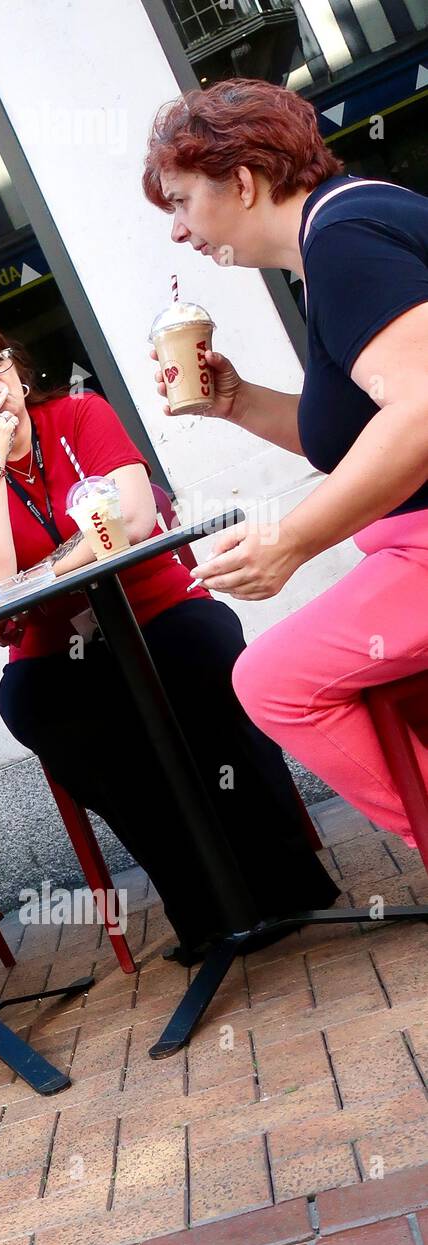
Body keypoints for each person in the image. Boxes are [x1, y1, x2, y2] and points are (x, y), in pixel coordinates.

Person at [0, 317, 337, 956]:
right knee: (39, 708)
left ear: (19, 366)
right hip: (62, 650)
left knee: (202, 660)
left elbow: (133, 519)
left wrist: (37, 576)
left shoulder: (81, 415)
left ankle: (282, 881)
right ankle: (203, 906)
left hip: (157, 607)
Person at [143, 79, 428, 848]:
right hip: (411, 542)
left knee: (275, 680)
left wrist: (294, 539)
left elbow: (422, 411)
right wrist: (236, 402)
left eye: (178, 200)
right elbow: (363, 429)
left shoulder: (344, 239)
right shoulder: (341, 233)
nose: (176, 231)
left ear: (241, 180)